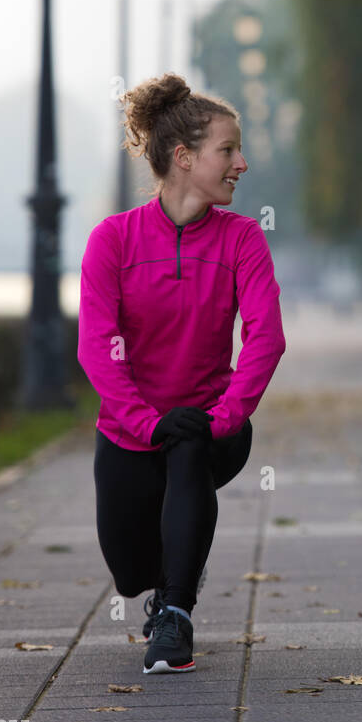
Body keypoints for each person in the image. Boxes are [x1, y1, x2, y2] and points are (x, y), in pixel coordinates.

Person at [77, 74, 285, 674]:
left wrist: (223, 417)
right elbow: (98, 347)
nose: (241, 164)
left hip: (212, 427)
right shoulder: (113, 240)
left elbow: (266, 338)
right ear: (184, 157)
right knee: (131, 572)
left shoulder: (243, 239)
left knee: (189, 446)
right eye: (229, 150)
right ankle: (163, 585)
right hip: (129, 433)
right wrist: (146, 423)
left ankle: (176, 615)